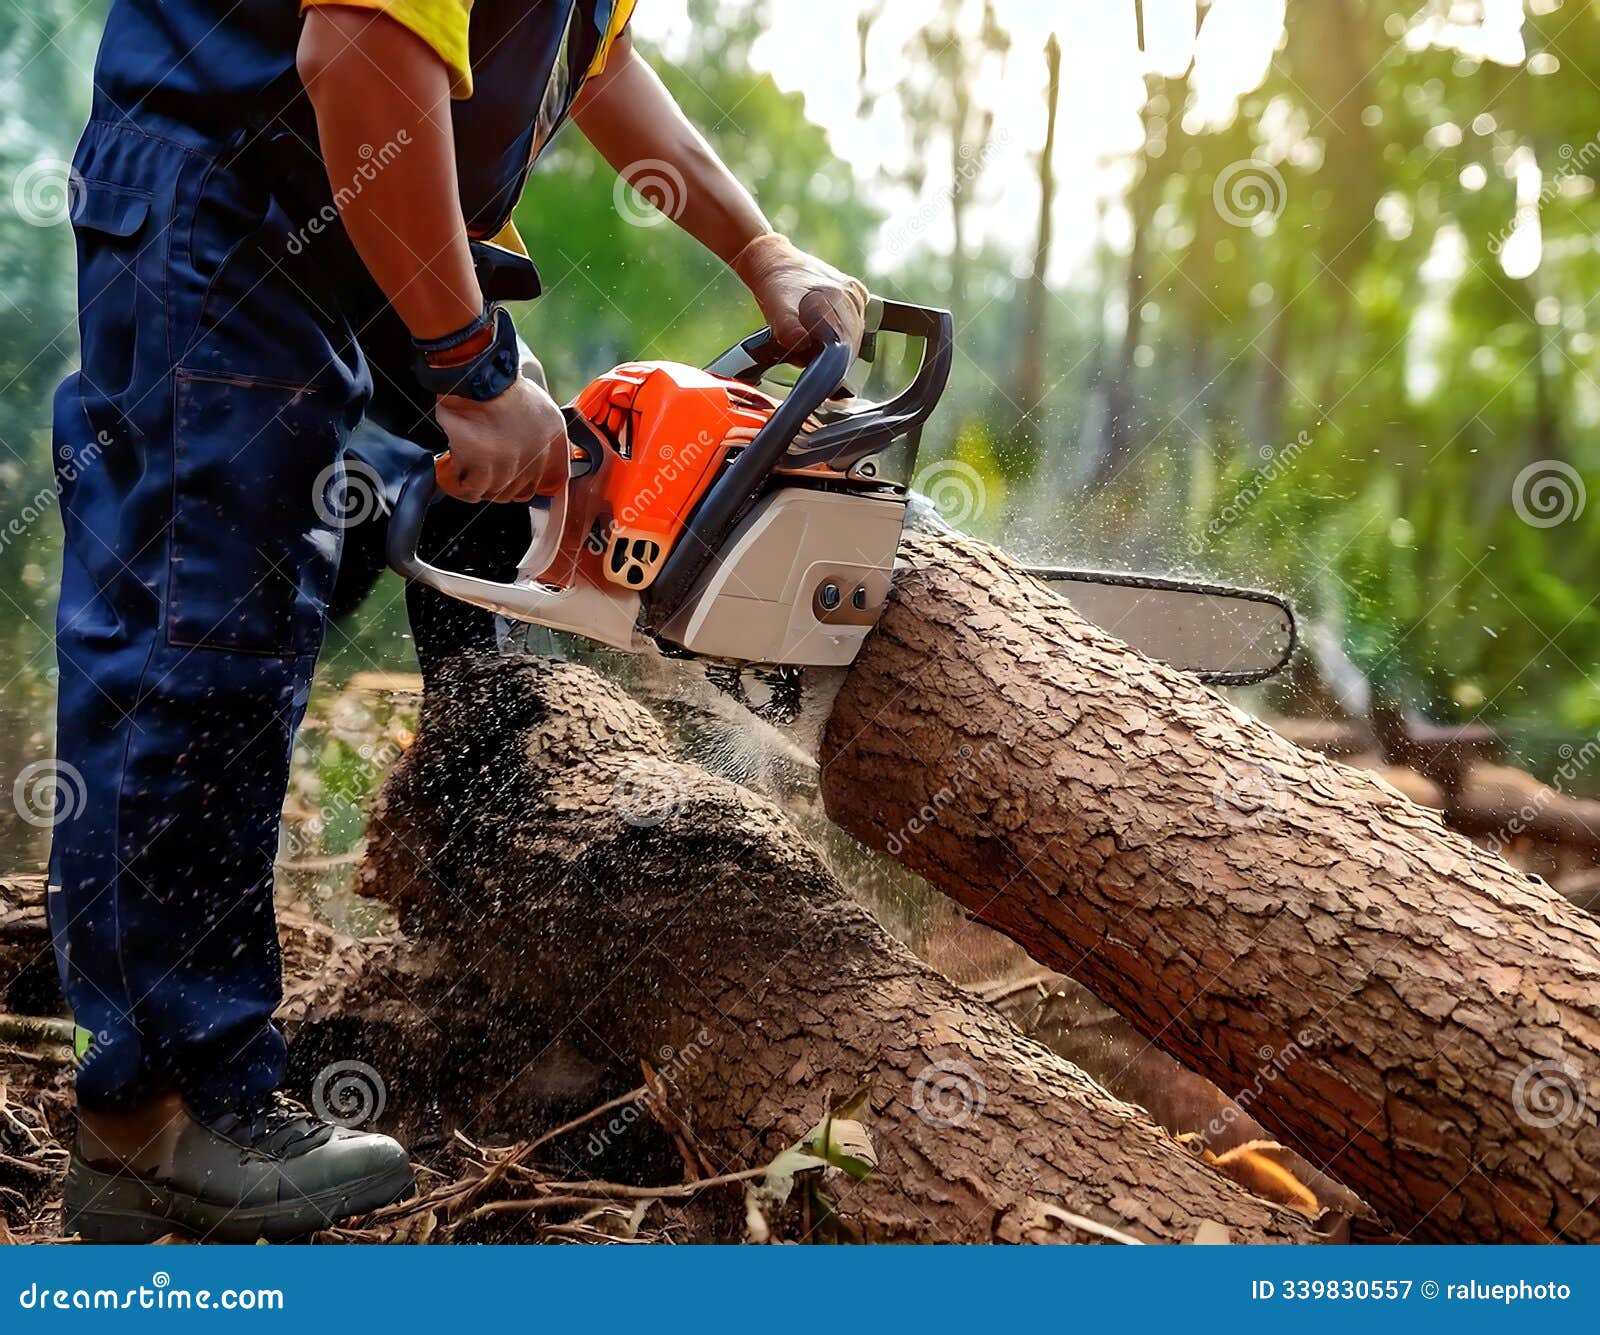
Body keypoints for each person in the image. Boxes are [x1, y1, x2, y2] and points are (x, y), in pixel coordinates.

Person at [51, 0, 868, 1243]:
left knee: (488, 500)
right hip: (237, 196)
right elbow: (361, 51)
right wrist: (467, 363)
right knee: (198, 631)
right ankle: (160, 1109)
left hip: (341, 201)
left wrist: (760, 251)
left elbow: (597, 61)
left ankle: (484, 788)